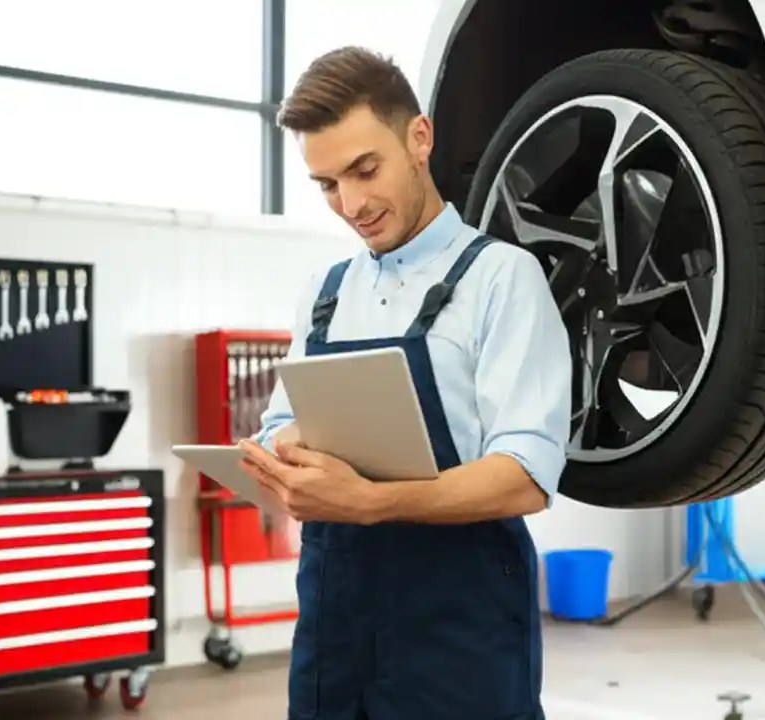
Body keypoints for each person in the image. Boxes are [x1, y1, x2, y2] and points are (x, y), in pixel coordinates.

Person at [236, 46, 572, 720]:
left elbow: (525, 476)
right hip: (335, 625)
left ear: (419, 138)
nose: (351, 204)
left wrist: (369, 500)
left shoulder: (500, 280)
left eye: (365, 169)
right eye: (327, 184)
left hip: (459, 627)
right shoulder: (324, 293)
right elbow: (279, 424)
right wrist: (283, 452)